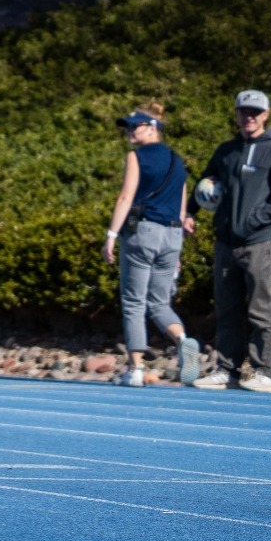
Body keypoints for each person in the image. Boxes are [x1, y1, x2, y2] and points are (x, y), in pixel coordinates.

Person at [189, 90, 271, 392]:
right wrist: (190, 212)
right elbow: (206, 182)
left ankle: (265, 372)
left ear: (266, 114)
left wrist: (256, 218)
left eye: (254, 112)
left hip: (258, 243)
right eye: (243, 112)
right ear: (236, 114)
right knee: (227, 308)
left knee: (261, 308)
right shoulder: (226, 150)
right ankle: (227, 369)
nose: (248, 117)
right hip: (225, 244)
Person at [103, 105, 201, 387]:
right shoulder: (177, 159)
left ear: (152, 127)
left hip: (143, 233)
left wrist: (111, 234)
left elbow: (126, 196)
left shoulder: (137, 156)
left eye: (135, 126)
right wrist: (178, 249)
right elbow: (181, 208)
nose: (130, 132)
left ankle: (134, 369)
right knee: (159, 302)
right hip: (172, 236)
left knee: (134, 301)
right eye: (129, 127)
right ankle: (183, 340)